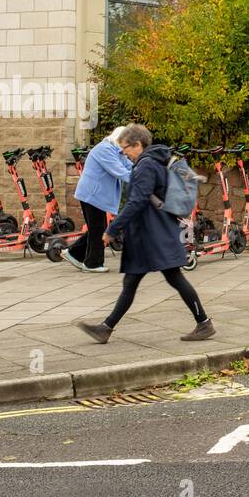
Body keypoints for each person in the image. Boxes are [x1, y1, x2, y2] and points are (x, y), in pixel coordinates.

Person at [76, 124, 215, 343]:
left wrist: (112, 228)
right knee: (135, 282)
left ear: (138, 144)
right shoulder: (153, 161)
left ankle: (204, 323)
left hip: (152, 234)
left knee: (172, 278)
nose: (124, 153)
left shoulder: (146, 166)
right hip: (152, 232)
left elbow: (136, 201)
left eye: (125, 149)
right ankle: (106, 328)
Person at [62, 126, 133, 273]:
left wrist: (144, 171)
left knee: (96, 228)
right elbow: (119, 171)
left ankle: (73, 253)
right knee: (98, 229)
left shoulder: (117, 151)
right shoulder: (105, 149)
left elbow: (129, 166)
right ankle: (92, 264)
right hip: (91, 195)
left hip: (97, 195)